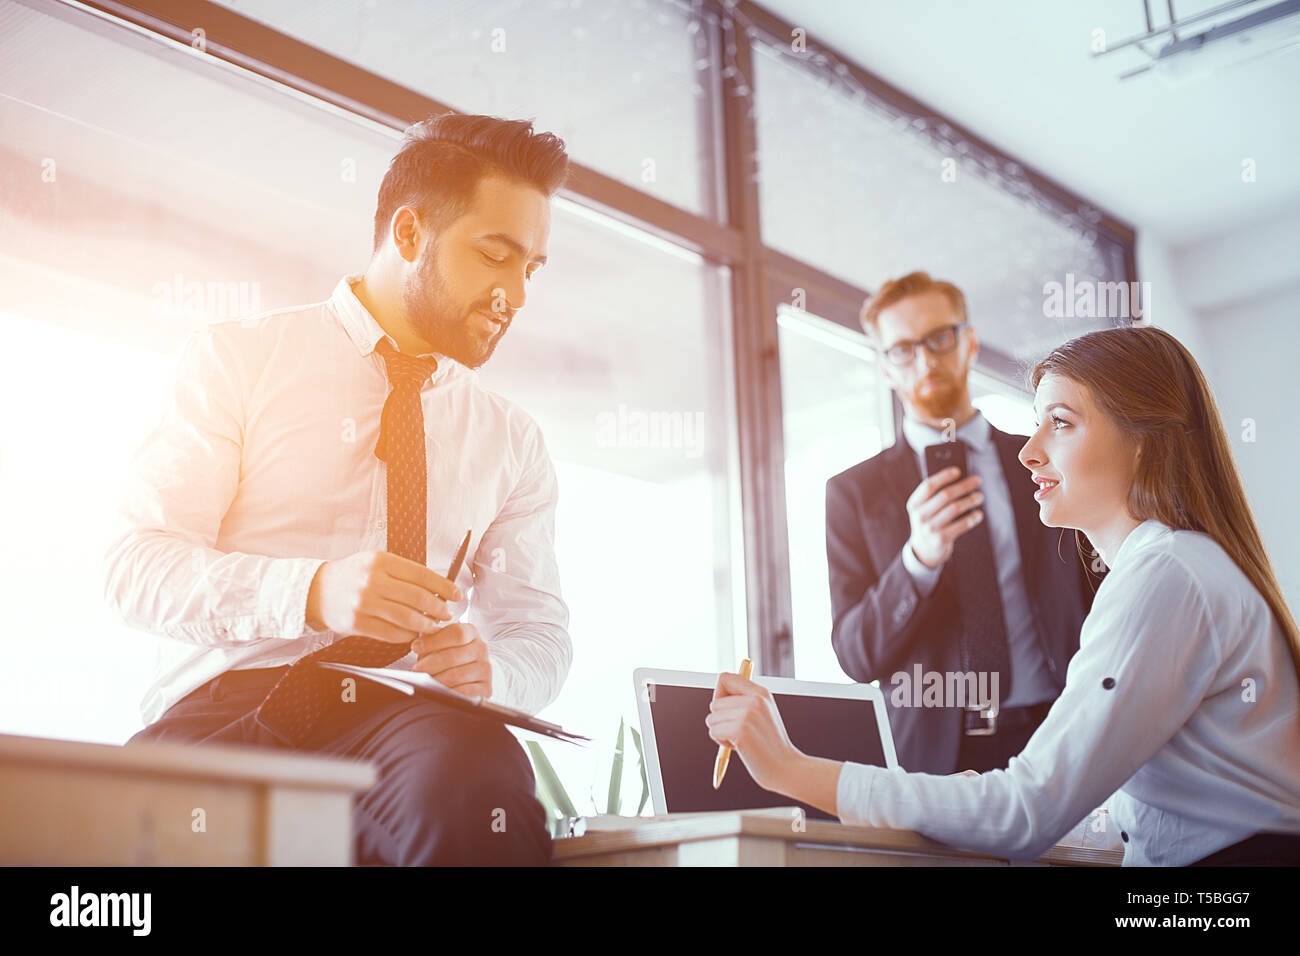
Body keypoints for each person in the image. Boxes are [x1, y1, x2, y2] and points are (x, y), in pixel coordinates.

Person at [106, 113, 572, 866]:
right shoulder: (239, 359)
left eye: (533, 268)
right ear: (411, 234)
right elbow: (135, 567)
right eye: (496, 255)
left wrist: (497, 670)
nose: (514, 294)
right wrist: (314, 589)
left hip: (403, 724)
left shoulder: (512, 441)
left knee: (477, 773)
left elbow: (539, 632)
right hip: (227, 709)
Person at [709, 324, 1300, 865]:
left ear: (1142, 439)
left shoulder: (1166, 575)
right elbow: (1125, 816)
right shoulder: (1174, 566)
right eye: (1036, 419)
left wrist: (791, 769)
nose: (1028, 450)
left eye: (1061, 423)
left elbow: (1028, 812)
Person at [826, 271, 1103, 775]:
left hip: (1059, 734)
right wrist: (917, 561)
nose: (925, 360)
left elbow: (1095, 589)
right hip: (929, 760)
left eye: (939, 338)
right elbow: (855, 655)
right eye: (903, 349)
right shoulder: (852, 493)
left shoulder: (1043, 461)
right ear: (886, 368)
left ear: (968, 342)